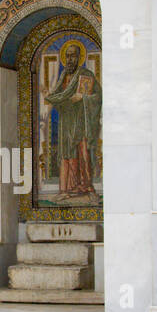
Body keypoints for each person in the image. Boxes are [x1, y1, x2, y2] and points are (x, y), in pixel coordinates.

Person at [42, 41, 101, 203]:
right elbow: (59, 97)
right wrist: (49, 95)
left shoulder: (86, 75)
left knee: (82, 154)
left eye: (73, 56)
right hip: (66, 122)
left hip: (81, 122)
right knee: (66, 155)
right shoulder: (63, 76)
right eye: (67, 56)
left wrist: (83, 97)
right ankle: (66, 189)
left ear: (79, 57)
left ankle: (87, 187)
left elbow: (97, 97)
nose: (69, 59)